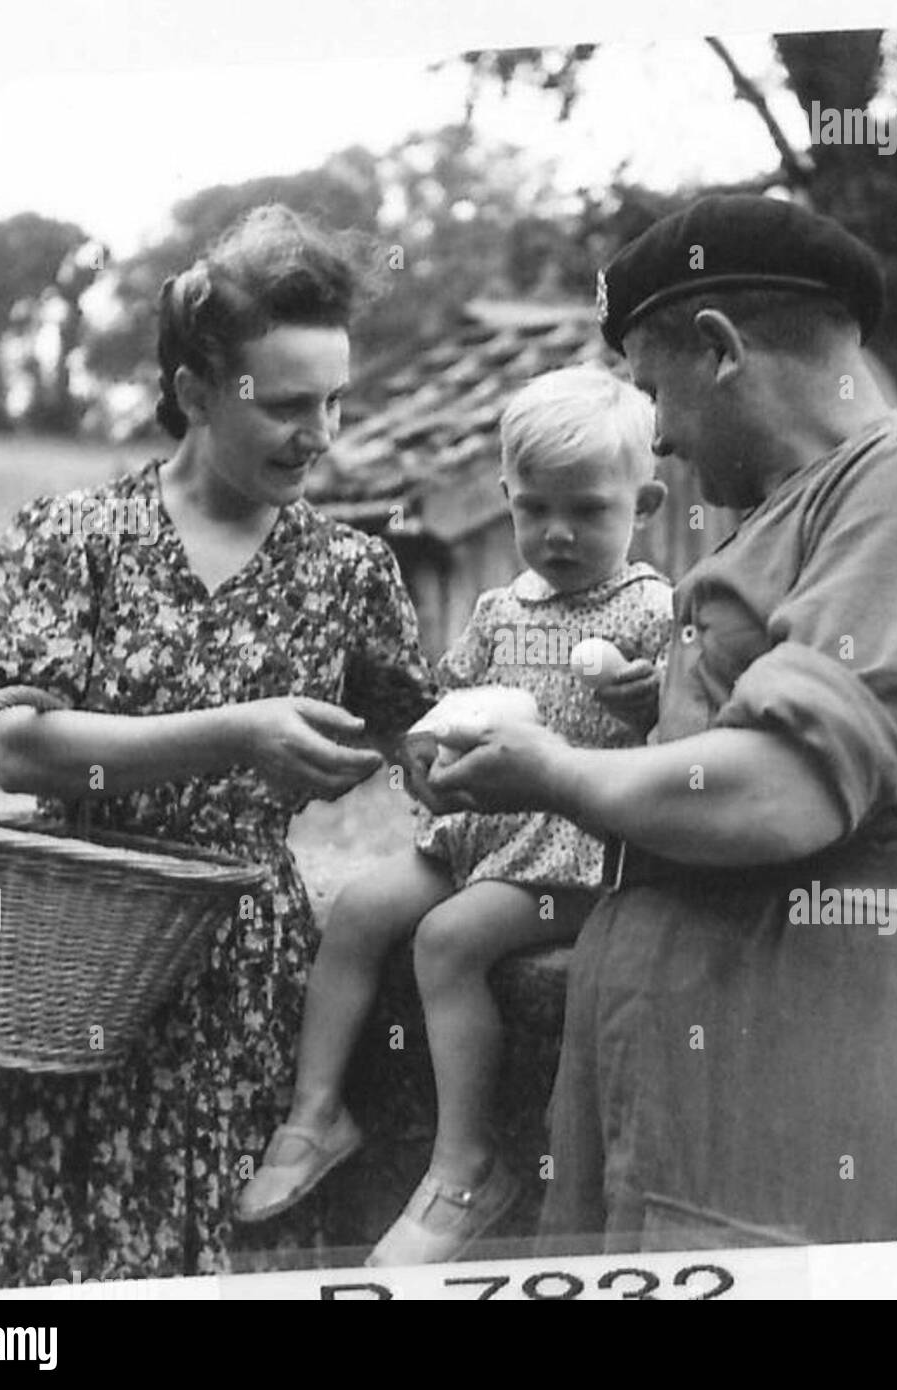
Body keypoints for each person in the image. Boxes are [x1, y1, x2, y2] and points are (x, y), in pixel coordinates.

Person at [429, 194, 897, 1253]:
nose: (661, 438)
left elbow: (784, 786)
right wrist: (667, 705)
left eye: (653, 388)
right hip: (691, 1064)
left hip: (828, 1063)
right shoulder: (788, 511)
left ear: (719, 349)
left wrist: (549, 770)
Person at [0, 205, 434, 1286]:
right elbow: (21, 753)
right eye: (284, 405)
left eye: (333, 400)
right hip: (76, 970)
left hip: (249, 991)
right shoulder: (75, 536)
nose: (319, 434)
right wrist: (237, 731)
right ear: (192, 395)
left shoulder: (351, 570)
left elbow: (421, 740)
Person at [237, 365, 674, 1265]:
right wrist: (424, 752)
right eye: (535, 509)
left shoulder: (652, 611)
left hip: (574, 856)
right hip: (474, 832)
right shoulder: (496, 608)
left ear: (648, 501)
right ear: (506, 498)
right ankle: (316, 1114)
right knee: (358, 910)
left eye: (588, 511)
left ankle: (466, 1167)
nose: (556, 534)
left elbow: (688, 732)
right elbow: (447, 701)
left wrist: (648, 703)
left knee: (446, 941)